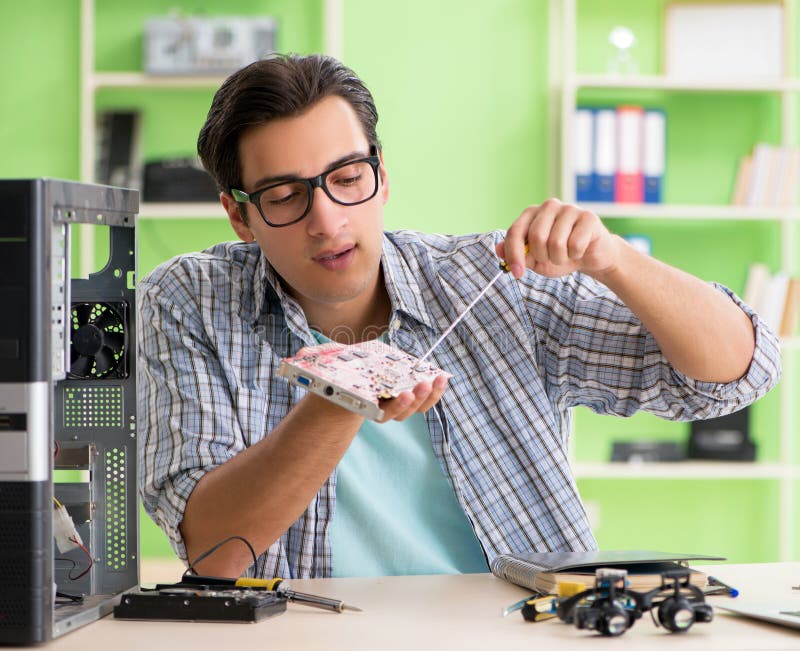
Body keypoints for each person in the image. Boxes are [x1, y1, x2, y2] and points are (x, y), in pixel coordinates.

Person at [138, 53, 781, 580]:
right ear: (239, 215)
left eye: (349, 178)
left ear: (382, 176)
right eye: (284, 196)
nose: (327, 220)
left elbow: (735, 376)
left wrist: (615, 260)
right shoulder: (189, 300)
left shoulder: (494, 279)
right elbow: (215, 552)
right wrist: (340, 399)